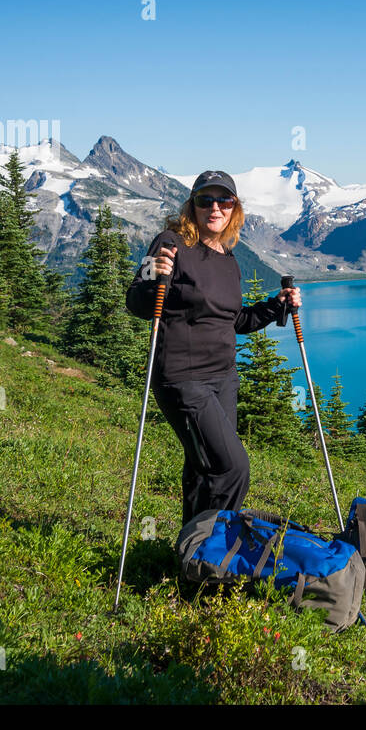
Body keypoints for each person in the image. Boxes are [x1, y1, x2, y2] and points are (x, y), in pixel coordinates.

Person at [125, 169, 302, 527]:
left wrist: (276, 305)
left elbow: (234, 321)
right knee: (232, 467)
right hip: (182, 378)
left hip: (223, 379)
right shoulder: (170, 243)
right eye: (206, 200)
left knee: (203, 468)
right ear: (193, 206)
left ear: (235, 209)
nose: (215, 208)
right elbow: (137, 302)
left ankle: (191, 558)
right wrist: (150, 275)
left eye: (225, 201)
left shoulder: (227, 258)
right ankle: (213, 547)